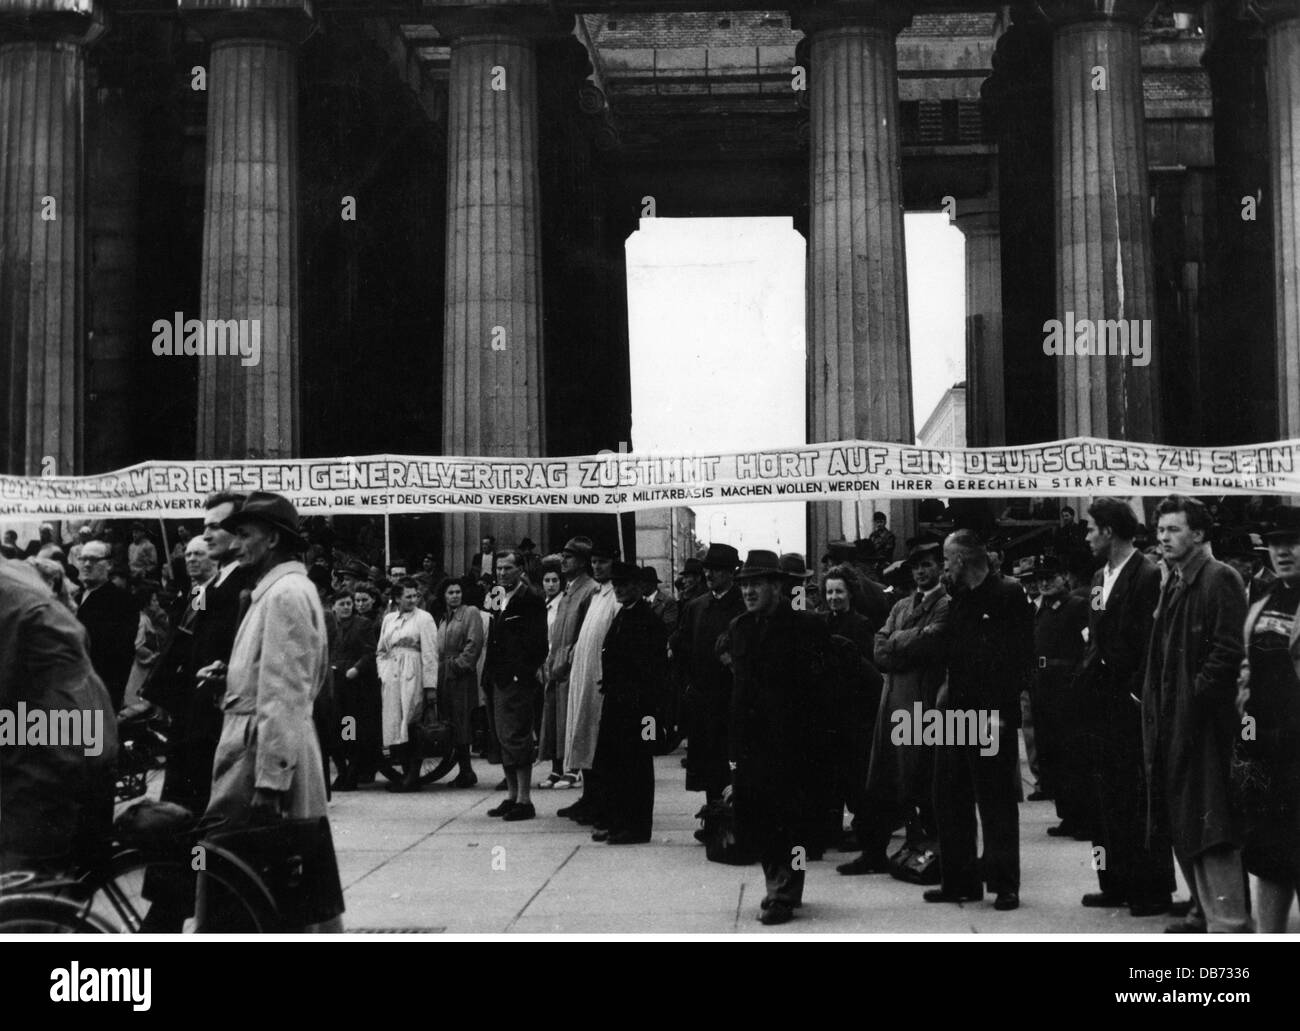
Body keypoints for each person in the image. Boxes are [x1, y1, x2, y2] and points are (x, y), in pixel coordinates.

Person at [204, 491, 342, 933]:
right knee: (283, 896)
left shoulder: (283, 595)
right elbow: (276, 674)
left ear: (273, 541)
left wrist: (271, 780)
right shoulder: (279, 591)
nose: (235, 543)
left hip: (263, 759)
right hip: (263, 748)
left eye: (244, 535)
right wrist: (232, 676)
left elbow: (285, 693)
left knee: (269, 891)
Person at [1144, 495, 1251, 933]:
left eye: (1173, 530)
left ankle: (1228, 921)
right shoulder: (1176, 579)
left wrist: (1193, 700)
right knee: (1184, 816)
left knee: (1212, 822)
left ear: (1200, 534)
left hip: (1205, 725)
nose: (1163, 538)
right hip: (1175, 720)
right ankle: (1204, 910)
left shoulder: (1218, 577)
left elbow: (1229, 649)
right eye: (1161, 530)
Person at [926, 530, 1032, 912]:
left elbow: (1020, 659)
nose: (942, 566)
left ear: (960, 560)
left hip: (991, 716)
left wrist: (1004, 715)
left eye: (945, 559)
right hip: (956, 713)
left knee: (996, 802)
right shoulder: (958, 598)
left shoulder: (1008, 593)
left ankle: (1005, 885)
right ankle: (960, 882)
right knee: (949, 798)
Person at [1079, 497, 1175, 917]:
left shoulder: (1147, 573)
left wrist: (1138, 694)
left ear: (1110, 531)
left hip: (1129, 702)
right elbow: (1097, 636)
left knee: (1137, 799)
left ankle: (1151, 887)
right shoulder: (1100, 576)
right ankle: (1112, 880)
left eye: (1091, 528)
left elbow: (1149, 642)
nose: (1087, 536)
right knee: (1104, 798)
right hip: (1100, 700)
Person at [728, 550, 836, 925]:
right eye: (744, 585)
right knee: (761, 821)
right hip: (752, 744)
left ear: (777, 587)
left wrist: (817, 744)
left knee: (794, 824)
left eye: (756, 584)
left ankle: (786, 891)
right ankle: (780, 884)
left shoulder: (807, 628)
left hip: (795, 745)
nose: (748, 591)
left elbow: (822, 691)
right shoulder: (740, 628)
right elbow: (738, 687)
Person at [0, 558, 119, 874]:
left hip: (57, 736)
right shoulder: (14, 575)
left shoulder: (9, 594)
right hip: (65, 723)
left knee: (23, 878)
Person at [841, 537, 949, 875]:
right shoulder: (901, 606)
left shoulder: (947, 604)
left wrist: (898, 642)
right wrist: (905, 641)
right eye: (915, 567)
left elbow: (933, 642)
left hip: (923, 705)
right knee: (882, 783)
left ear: (940, 568)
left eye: (927, 565)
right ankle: (873, 853)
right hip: (892, 704)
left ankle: (932, 855)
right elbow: (879, 647)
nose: (920, 572)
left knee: (921, 782)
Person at [1235, 506, 1300, 932]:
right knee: (1270, 861)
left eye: (1292, 542)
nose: (1283, 551)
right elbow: (1246, 672)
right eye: (1275, 543)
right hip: (1268, 760)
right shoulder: (1261, 603)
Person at [589, 561, 668, 844]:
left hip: (639, 708)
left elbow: (652, 670)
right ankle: (617, 820)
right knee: (615, 764)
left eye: (624, 584)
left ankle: (636, 827)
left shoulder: (647, 620)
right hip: (617, 703)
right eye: (616, 584)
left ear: (638, 585)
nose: (619, 589)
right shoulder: (623, 615)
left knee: (637, 766)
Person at [670, 542, 744, 815]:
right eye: (707, 569)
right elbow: (683, 645)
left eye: (716, 570)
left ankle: (732, 819)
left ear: (730, 573)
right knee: (709, 764)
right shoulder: (697, 606)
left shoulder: (741, 605)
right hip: (702, 698)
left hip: (731, 698)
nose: (710, 574)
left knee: (731, 762)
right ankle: (714, 817)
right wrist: (687, 686)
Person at [817, 563, 883, 857]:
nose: (833, 598)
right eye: (829, 592)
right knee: (830, 776)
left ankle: (863, 830)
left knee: (855, 775)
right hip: (828, 709)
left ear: (850, 593)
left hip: (854, 710)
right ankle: (830, 830)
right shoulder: (821, 623)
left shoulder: (860, 624)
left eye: (839, 592)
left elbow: (866, 669)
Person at [557, 540, 622, 824]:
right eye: (594, 562)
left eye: (603, 562)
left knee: (596, 740)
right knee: (581, 736)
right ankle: (588, 797)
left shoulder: (614, 597)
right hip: (582, 674)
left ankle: (600, 800)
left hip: (598, 677)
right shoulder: (596, 594)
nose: (597, 567)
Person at [1030, 556, 1092, 840]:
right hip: (1044, 688)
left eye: (1050, 576)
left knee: (1073, 755)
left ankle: (1082, 817)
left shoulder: (1077, 606)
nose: (1044, 582)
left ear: (1064, 577)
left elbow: (1090, 644)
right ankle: (1067, 815)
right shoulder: (1041, 609)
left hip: (1067, 688)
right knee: (1051, 753)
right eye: (1040, 577)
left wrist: (1078, 680)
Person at [483, 550, 548, 820]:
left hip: (517, 679)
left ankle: (525, 799)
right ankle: (511, 795)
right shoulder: (497, 594)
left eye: (508, 568)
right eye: (499, 568)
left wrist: (523, 673)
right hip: (496, 677)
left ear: (521, 569)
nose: (501, 573)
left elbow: (538, 643)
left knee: (518, 736)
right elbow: (493, 632)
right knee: (502, 738)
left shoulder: (531, 598)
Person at [539, 538, 599, 790]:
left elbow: (586, 631)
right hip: (556, 661)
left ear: (584, 561)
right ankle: (556, 767)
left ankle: (573, 769)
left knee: (572, 715)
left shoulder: (590, 590)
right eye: (563, 555)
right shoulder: (567, 590)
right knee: (553, 716)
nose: (563, 561)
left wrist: (570, 657)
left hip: (573, 662)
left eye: (569, 556)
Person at [375, 577, 439, 791]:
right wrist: (383, 673)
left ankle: (413, 776)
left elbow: (430, 653)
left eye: (415, 595)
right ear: (397, 598)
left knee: (412, 723)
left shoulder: (424, 618)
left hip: (413, 673)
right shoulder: (389, 619)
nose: (412, 599)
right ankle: (404, 774)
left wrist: (430, 686)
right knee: (395, 723)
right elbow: (381, 650)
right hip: (392, 676)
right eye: (407, 596)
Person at [74, 538, 139, 711]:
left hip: (98, 692)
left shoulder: (122, 602)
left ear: (109, 565)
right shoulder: (74, 599)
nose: (87, 564)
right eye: (83, 559)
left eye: (94, 560)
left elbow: (119, 656)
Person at [326, 588, 380, 791]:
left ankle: (351, 772)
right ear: (334, 607)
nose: (347, 607)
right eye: (342, 604)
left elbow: (370, 652)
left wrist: (356, 669)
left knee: (351, 730)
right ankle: (341, 771)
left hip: (354, 688)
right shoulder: (330, 627)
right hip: (333, 686)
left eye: (349, 603)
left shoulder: (363, 625)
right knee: (333, 732)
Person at [435, 576, 485, 788]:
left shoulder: (470, 613)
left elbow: (474, 643)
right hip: (444, 673)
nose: (455, 596)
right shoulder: (444, 619)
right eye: (450, 592)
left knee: (462, 720)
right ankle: (463, 769)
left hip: (460, 676)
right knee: (451, 721)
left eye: (457, 592)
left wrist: (458, 666)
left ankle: (467, 771)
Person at [124, 582, 170, 707]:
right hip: (140, 669)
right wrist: (153, 656)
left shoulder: (146, 618)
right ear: (146, 602)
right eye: (154, 600)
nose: (157, 603)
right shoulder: (142, 620)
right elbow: (137, 646)